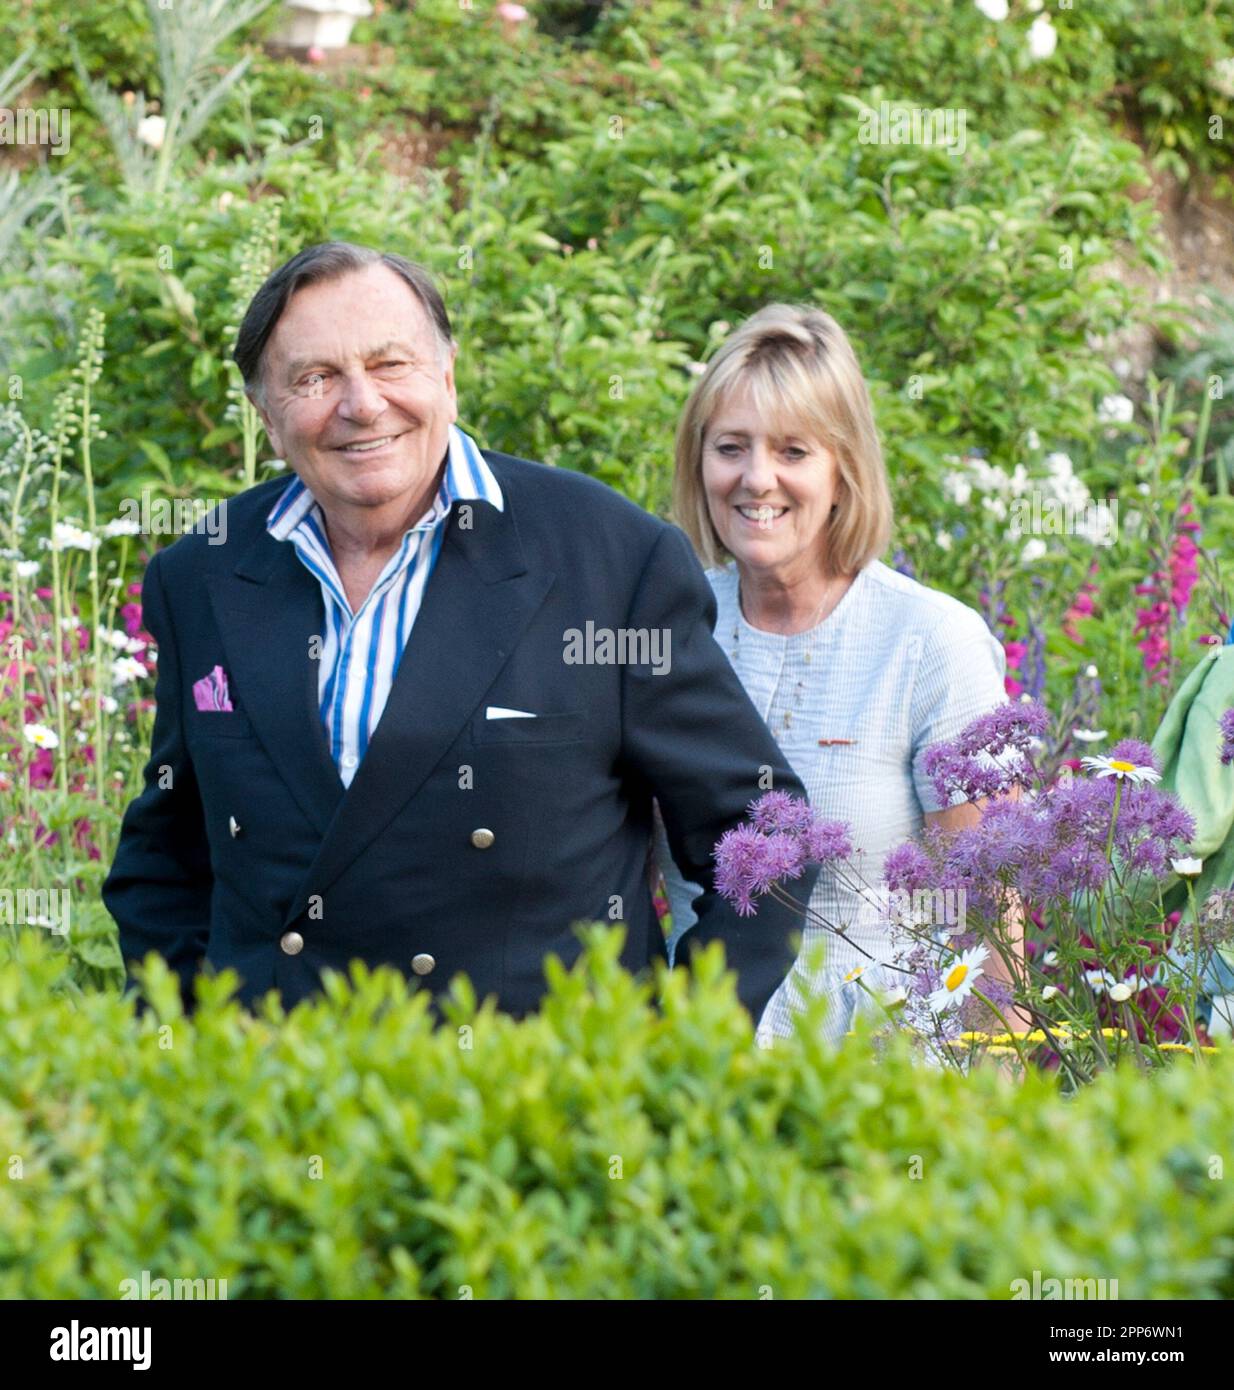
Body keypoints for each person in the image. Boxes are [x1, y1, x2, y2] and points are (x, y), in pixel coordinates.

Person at [102, 243, 816, 1021]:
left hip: (526, 1108)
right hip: (279, 1102)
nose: (362, 404)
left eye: (391, 364)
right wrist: (191, 1044)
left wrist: (676, 1055)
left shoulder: (607, 558)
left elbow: (767, 831)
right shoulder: (202, 575)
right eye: (314, 379)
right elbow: (163, 858)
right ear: (268, 417)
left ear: (448, 374)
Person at [657, 303, 1019, 1045]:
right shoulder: (667, 631)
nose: (757, 479)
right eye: (731, 447)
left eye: (793, 450)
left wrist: (989, 1107)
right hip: (696, 1079)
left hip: (879, 1081)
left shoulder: (930, 643)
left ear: (844, 467)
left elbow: (987, 911)